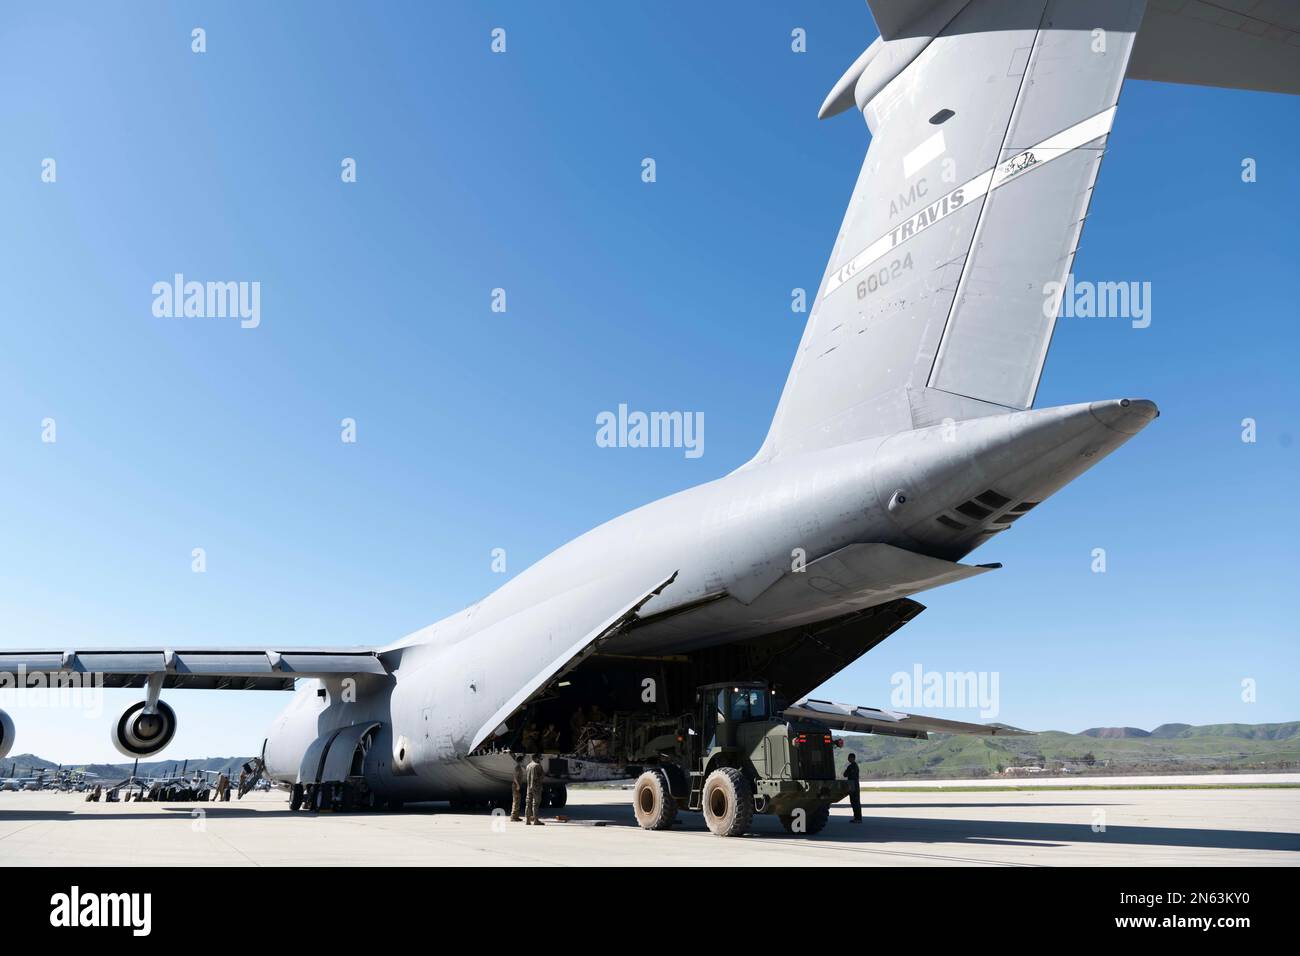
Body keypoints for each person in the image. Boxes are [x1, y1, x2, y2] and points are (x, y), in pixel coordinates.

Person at [525, 753, 545, 825]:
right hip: (536, 787)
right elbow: (542, 776)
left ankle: (527, 820)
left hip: (529, 787)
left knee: (528, 803)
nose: (540, 760)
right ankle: (536, 820)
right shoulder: (537, 766)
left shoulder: (528, 766)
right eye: (539, 758)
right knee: (535, 804)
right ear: (536, 758)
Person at [843, 752, 862, 823]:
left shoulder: (851, 766)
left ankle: (858, 818)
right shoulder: (855, 766)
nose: (848, 759)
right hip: (855, 785)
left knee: (855, 802)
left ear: (852, 758)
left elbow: (845, 774)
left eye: (849, 757)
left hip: (853, 785)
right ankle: (857, 817)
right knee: (855, 802)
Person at [510, 754, 526, 822]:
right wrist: (518, 785)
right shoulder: (517, 768)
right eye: (522, 760)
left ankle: (516, 816)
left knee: (518, 801)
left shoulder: (519, 767)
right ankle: (513, 817)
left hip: (517, 785)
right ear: (520, 761)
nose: (523, 762)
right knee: (516, 801)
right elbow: (515, 778)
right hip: (516, 786)